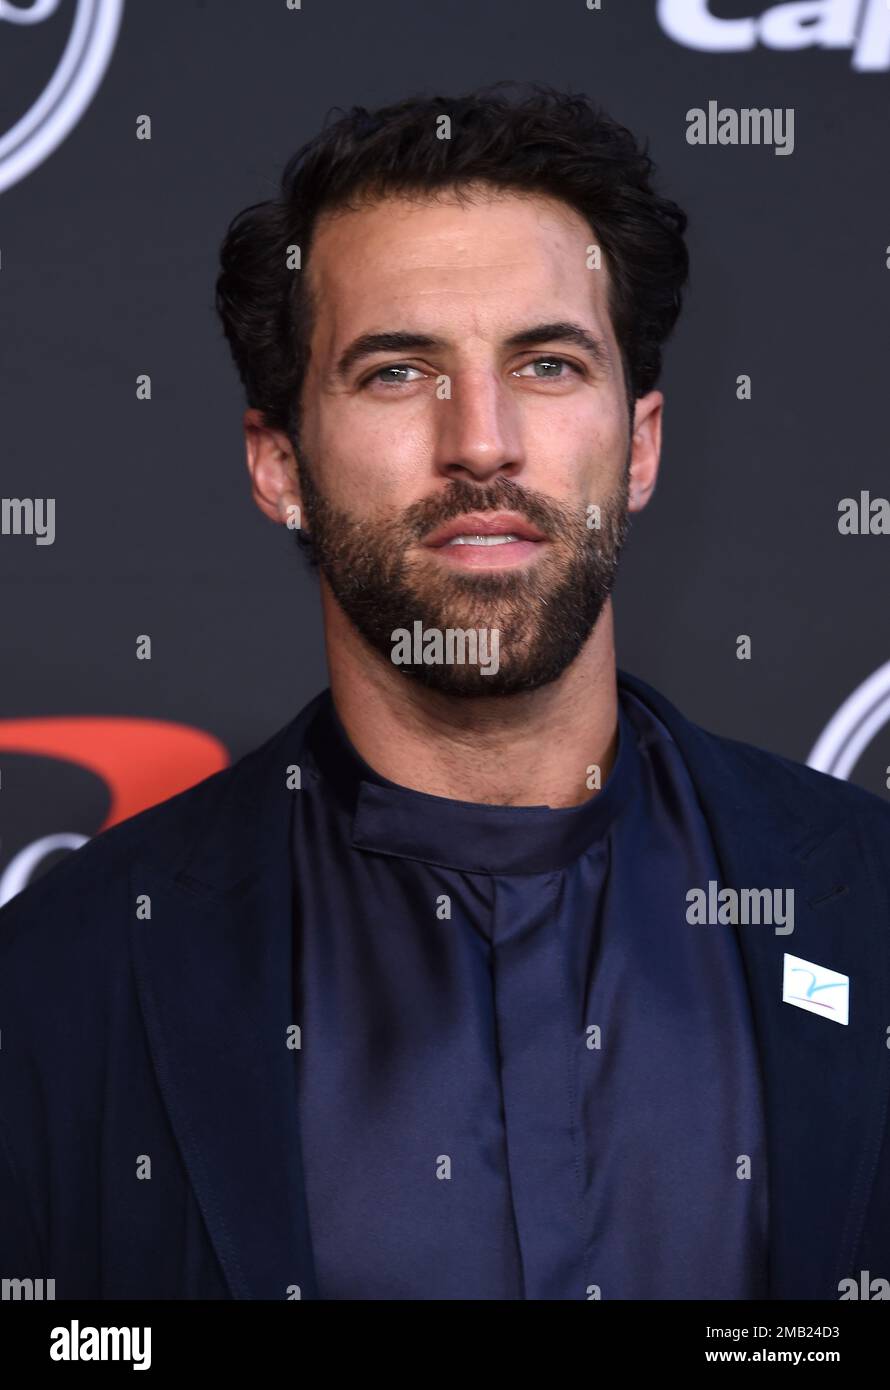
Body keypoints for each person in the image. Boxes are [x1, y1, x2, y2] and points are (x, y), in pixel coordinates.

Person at [1, 83, 889, 1302]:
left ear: (636, 448)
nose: (481, 438)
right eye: (395, 370)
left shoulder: (867, 905)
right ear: (279, 467)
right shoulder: (64, 980)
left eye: (546, 361)